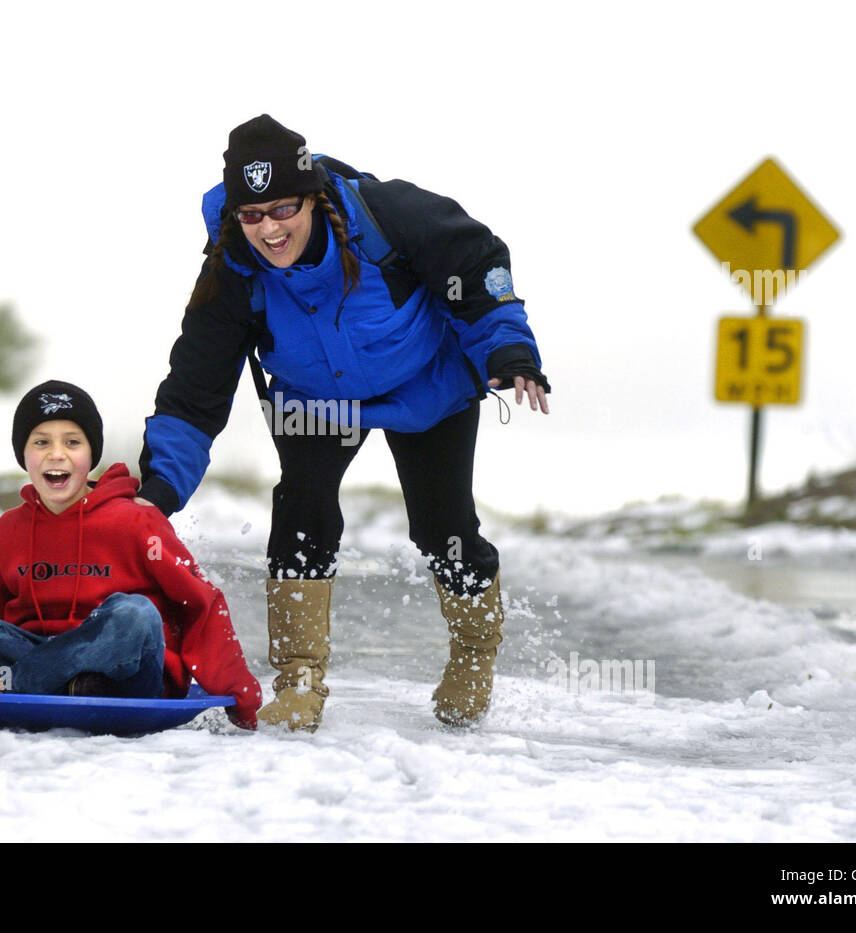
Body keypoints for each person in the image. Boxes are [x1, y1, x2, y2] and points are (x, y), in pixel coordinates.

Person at [136, 115, 551, 732]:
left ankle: (473, 649)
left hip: (427, 387)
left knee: (443, 529)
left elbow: (479, 270)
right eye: (252, 216)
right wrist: (155, 495)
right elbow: (194, 393)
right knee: (303, 504)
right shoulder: (232, 271)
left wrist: (509, 351)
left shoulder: (390, 215)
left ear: (312, 197)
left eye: (282, 209)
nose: (270, 229)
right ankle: (299, 678)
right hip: (315, 399)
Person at [0, 379, 262, 730]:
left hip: (125, 671)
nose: (57, 454)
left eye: (72, 442)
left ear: (91, 454)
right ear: (24, 454)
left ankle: (14, 684)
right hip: (37, 652)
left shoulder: (137, 521)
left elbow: (202, 600)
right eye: (41, 442)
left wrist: (237, 691)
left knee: (134, 615)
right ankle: (62, 685)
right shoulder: (10, 528)